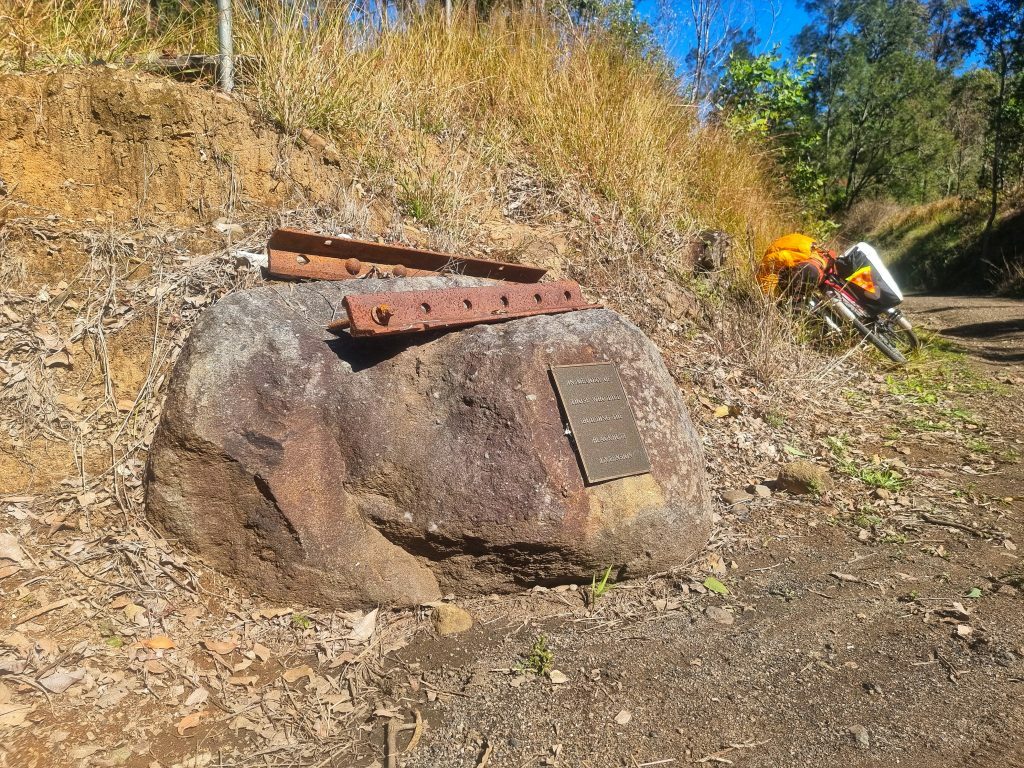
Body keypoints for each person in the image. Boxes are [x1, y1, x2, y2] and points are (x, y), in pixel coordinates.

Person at [758, 233, 835, 297]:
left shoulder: (814, 258)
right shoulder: (782, 259)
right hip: (786, 256)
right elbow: (767, 267)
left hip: (803, 255)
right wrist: (769, 296)